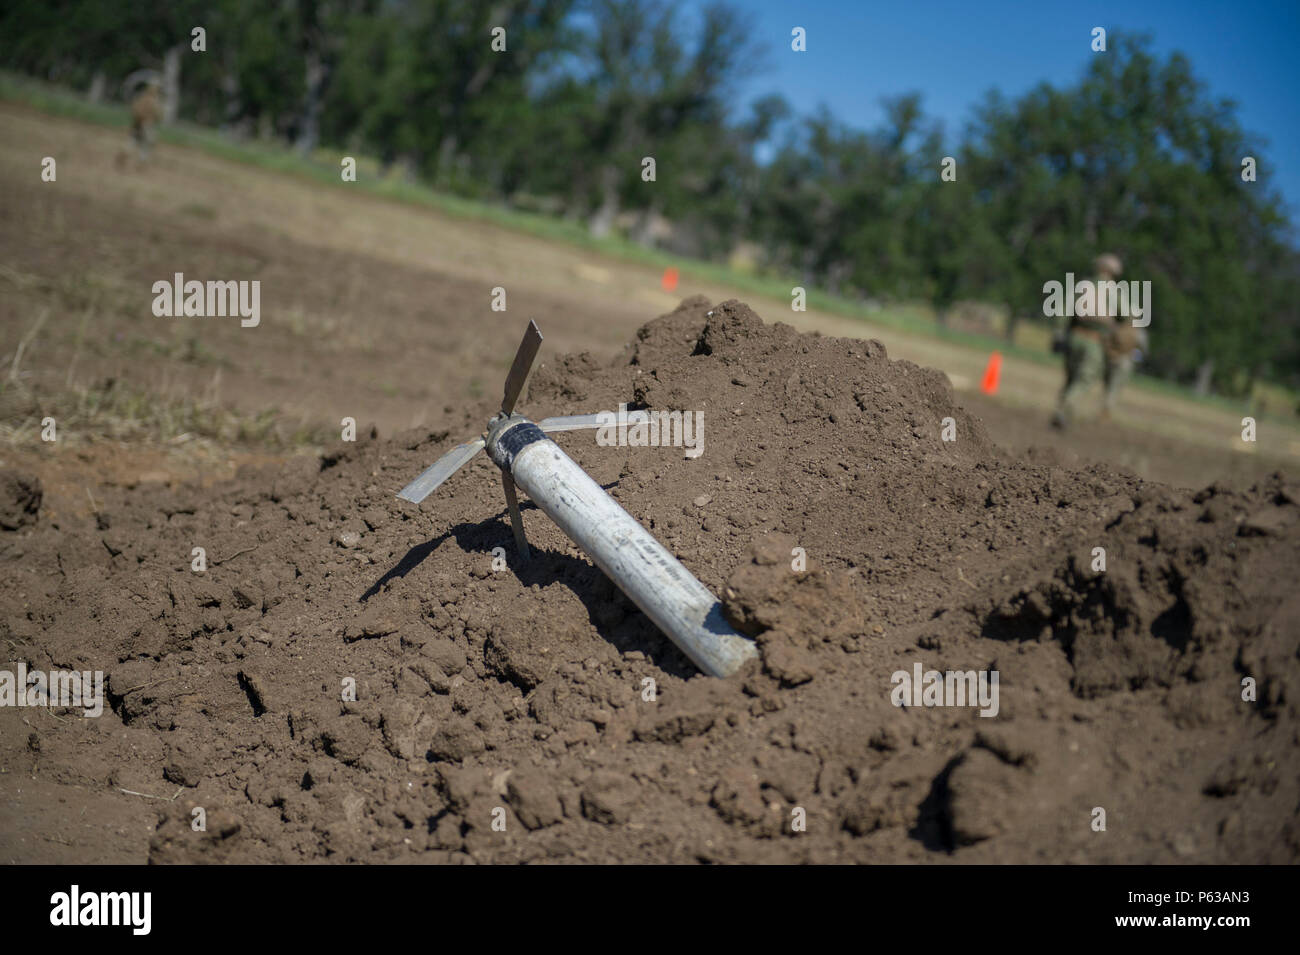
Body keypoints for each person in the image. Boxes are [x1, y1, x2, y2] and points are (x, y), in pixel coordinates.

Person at [1052, 253, 1123, 428]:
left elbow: (1064, 309)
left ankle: (1063, 413)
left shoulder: (1083, 286)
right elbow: (1129, 318)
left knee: (1071, 377)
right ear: (1113, 272)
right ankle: (1065, 406)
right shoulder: (1115, 292)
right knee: (1085, 379)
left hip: (1074, 337)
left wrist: (1059, 333)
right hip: (1095, 343)